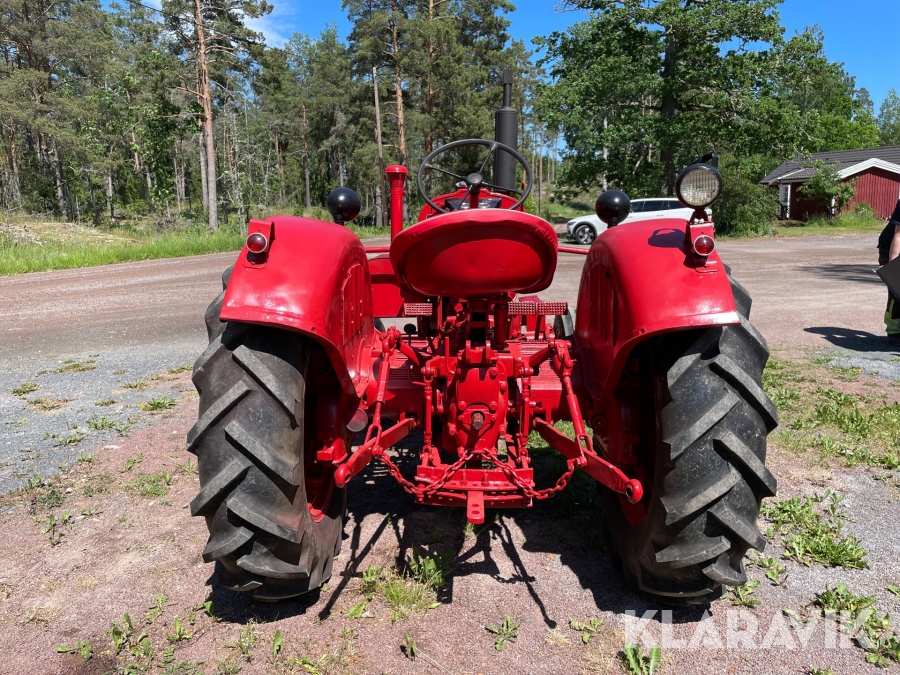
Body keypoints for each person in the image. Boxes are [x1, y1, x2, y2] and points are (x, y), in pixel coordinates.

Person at [877, 199, 900, 345]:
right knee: (897, 289)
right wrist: (893, 268)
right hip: (891, 245)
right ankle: (894, 330)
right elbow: (898, 235)